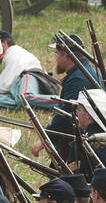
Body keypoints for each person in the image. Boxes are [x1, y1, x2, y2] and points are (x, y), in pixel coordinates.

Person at [34, 34, 99, 165]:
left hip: (78, 142)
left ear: (65, 55)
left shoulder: (78, 79)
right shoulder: (80, 73)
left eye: (57, 53)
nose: (55, 57)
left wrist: (45, 139)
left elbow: (67, 116)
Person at [0, 30, 43, 110]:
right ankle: (29, 105)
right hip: (19, 85)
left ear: (4, 43)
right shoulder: (11, 53)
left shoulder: (13, 52)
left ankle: (59, 101)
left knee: (25, 98)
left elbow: (5, 85)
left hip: (29, 77)